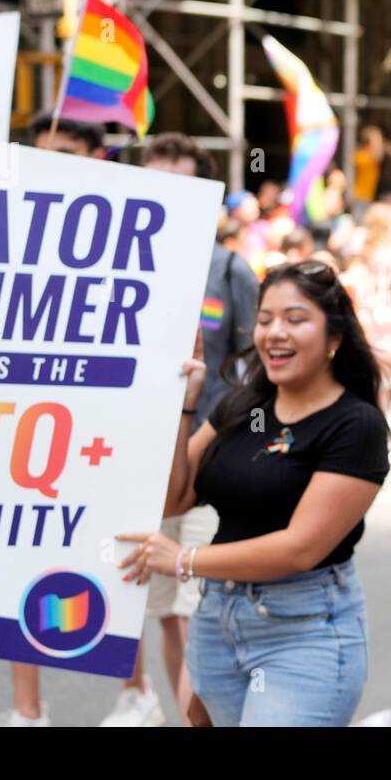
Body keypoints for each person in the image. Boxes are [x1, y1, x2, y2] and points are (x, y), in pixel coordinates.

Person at [118, 262, 390, 726]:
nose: (274, 333)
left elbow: (300, 549)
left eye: (295, 319)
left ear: (334, 338)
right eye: (265, 320)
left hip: (305, 631)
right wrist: (184, 403)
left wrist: (185, 559)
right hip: (217, 623)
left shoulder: (354, 424)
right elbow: (174, 500)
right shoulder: (244, 406)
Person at [92, 133, 256, 727]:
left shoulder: (232, 269)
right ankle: (161, 705)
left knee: (193, 607)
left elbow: (255, 365)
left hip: (211, 463)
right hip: (141, 466)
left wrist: (225, 432)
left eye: (183, 182)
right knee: (159, 606)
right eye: (155, 179)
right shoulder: (118, 266)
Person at [0, 113, 110, 726]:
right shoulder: (14, 223)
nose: (52, 161)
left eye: (66, 150)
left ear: (98, 154)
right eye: (41, 153)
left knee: (115, 570)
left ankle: (135, 695)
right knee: (21, 566)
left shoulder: (137, 226)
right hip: (27, 429)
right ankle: (28, 713)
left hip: (106, 431)